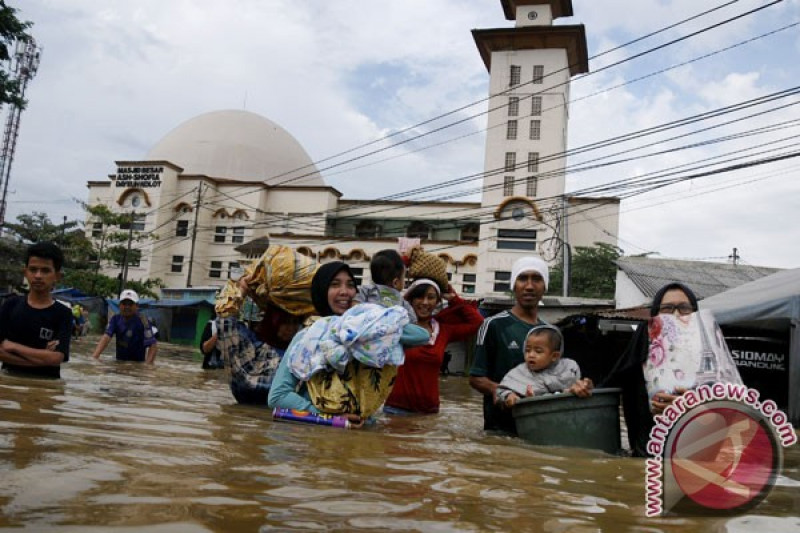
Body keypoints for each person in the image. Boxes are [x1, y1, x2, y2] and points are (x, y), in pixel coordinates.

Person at [601, 282, 699, 457]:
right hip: (648, 453)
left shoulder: (709, 350)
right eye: (667, 309)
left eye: (684, 308)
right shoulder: (644, 338)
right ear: (655, 313)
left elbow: (727, 408)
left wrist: (692, 406)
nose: (675, 314)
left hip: (695, 454)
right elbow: (614, 380)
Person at [469, 255, 550, 434]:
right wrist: (502, 392)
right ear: (514, 285)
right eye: (522, 278)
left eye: (536, 279)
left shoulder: (550, 333)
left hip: (536, 433)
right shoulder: (494, 325)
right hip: (498, 434)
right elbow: (476, 378)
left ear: (545, 287)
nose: (529, 286)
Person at [384, 279, 483, 414]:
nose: (425, 302)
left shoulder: (443, 330)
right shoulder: (398, 326)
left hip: (429, 411)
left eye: (431, 298)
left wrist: (454, 298)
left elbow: (477, 322)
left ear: (437, 302)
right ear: (411, 300)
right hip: (396, 408)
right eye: (419, 297)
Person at [0, 241, 73, 378]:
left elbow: (56, 358)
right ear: (25, 272)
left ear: (57, 276)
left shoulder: (63, 313)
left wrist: (14, 347)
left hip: (46, 386)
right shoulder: (10, 305)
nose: (38, 276)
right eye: (33, 270)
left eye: (45, 270)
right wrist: (42, 358)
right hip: (9, 383)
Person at [216, 304, 303, 404]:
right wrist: (240, 292)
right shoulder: (255, 348)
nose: (291, 328)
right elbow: (225, 321)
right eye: (285, 322)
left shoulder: (298, 354)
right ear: (273, 322)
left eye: (295, 323)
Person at [496, 324, 593, 407]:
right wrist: (510, 396)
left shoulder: (568, 367)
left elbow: (576, 389)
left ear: (554, 356)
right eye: (527, 350)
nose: (531, 355)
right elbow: (502, 391)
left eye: (538, 351)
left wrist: (579, 388)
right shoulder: (519, 372)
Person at [91, 289, 158, 364]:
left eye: (130, 304)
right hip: (119, 362)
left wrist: (147, 365)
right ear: (119, 305)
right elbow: (106, 337)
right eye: (124, 304)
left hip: (137, 364)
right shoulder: (115, 319)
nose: (127, 307)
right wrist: (95, 357)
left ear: (137, 306)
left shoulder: (143, 321)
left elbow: (153, 345)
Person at [353, 249, 417, 322]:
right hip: (392, 328)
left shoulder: (366, 289)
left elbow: (355, 307)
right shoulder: (401, 301)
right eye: (403, 278)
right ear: (395, 283)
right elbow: (413, 320)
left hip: (368, 325)